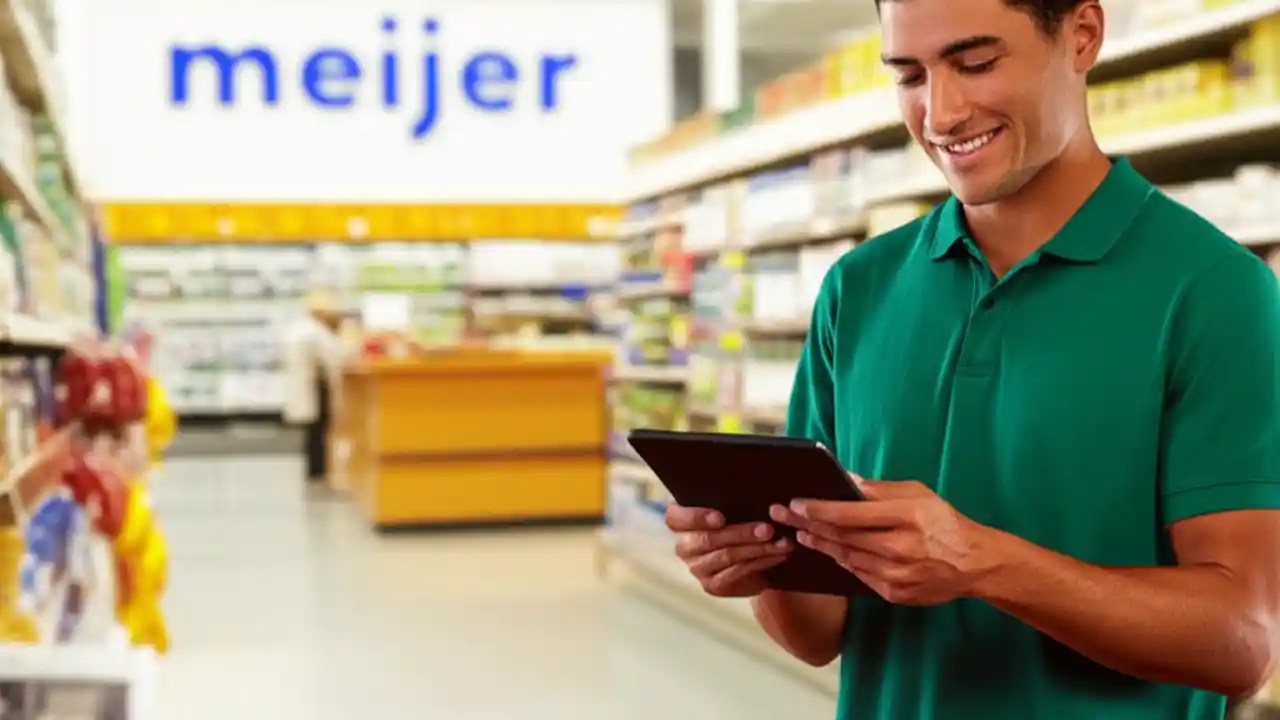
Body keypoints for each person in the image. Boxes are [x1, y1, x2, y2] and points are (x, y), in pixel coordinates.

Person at [666, 1, 1280, 718]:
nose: (940, 113)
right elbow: (818, 635)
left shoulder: (1216, 292)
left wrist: (983, 563)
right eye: (909, 76)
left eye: (976, 63)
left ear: (1082, 36)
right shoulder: (858, 289)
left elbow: (1243, 644)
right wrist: (758, 566)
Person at [283, 293, 344, 488]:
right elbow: (335, 355)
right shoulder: (315, 332)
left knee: (312, 432)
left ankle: (314, 471)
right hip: (314, 387)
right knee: (318, 431)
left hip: (304, 386)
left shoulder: (297, 329)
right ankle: (318, 472)